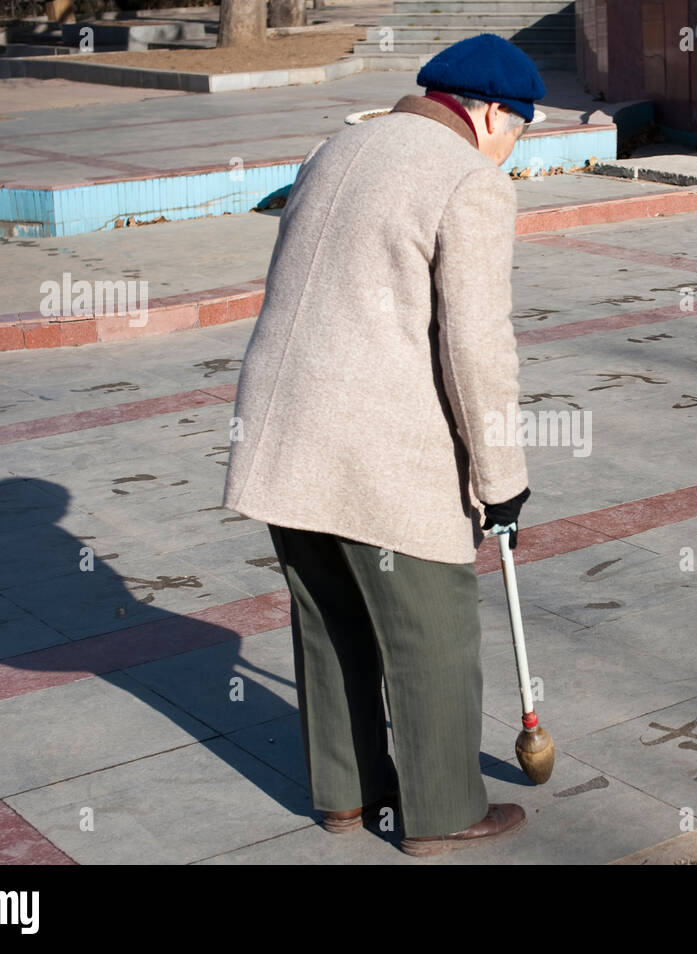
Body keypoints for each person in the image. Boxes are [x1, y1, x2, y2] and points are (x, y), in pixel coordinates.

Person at [221, 34, 542, 856]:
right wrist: (501, 476)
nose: (513, 148)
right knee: (430, 634)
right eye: (520, 129)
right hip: (378, 446)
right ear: (491, 112)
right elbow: (476, 346)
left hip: (281, 431)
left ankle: (347, 795)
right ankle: (441, 812)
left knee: (328, 620)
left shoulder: (340, 145)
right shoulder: (468, 179)